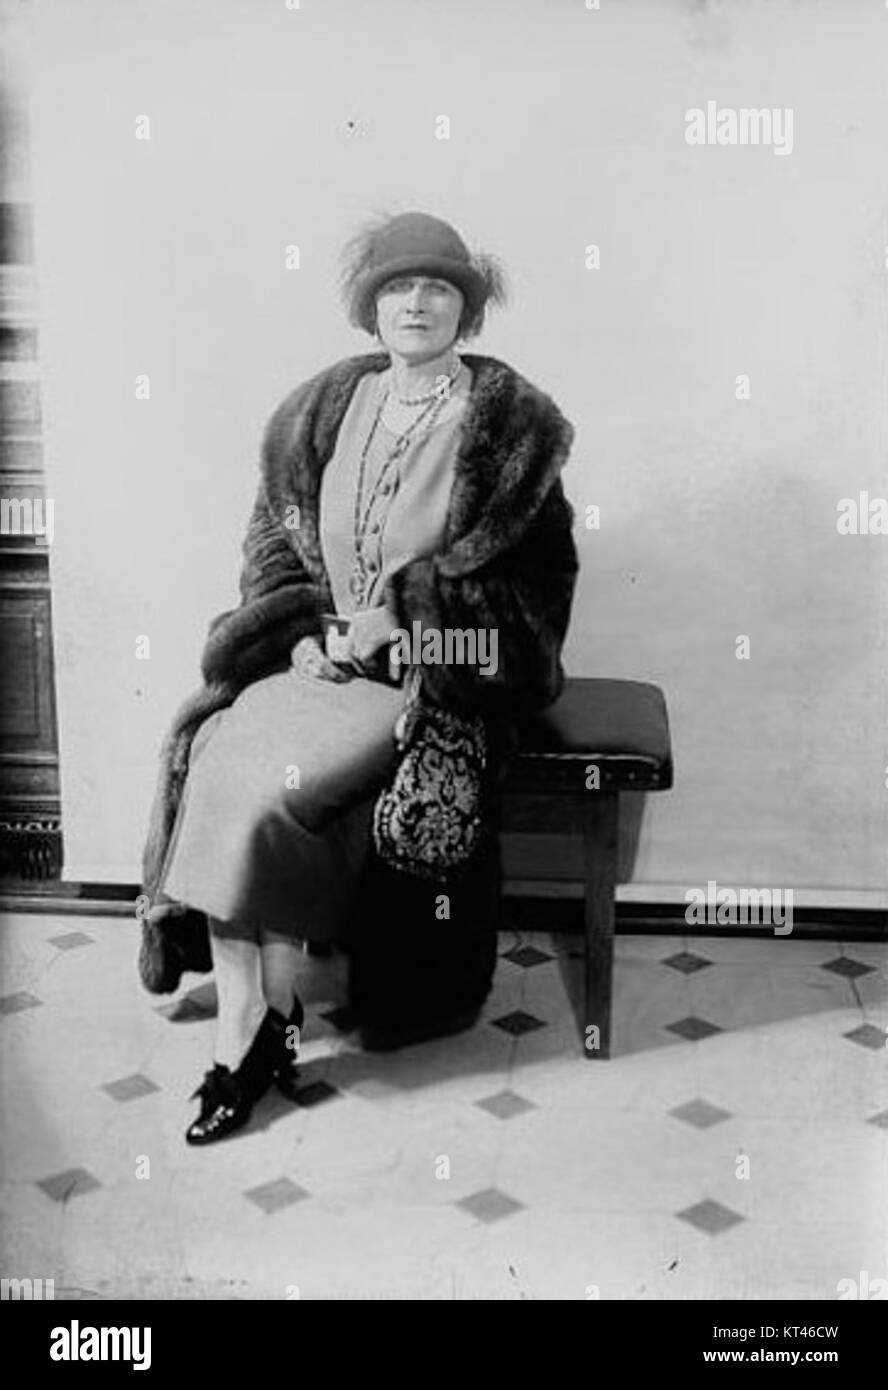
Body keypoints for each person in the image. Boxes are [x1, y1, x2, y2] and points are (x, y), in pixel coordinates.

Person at [139, 210, 579, 1145]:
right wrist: (296, 633)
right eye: (396, 287)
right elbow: (272, 556)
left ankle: (261, 1024)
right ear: (368, 308)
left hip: (432, 679)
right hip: (318, 667)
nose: (414, 302)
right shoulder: (320, 414)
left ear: (468, 308)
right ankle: (253, 1027)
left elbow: (527, 635)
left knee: (268, 802)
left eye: (437, 288)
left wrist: (410, 624)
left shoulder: (514, 437)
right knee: (216, 755)